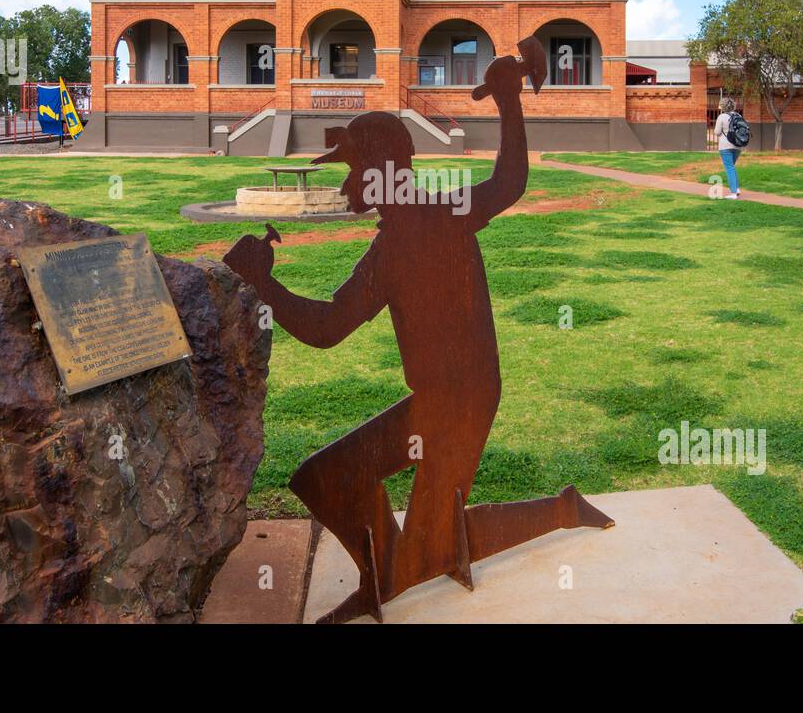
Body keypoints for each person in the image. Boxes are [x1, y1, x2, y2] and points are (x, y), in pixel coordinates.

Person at [223, 38, 611, 623]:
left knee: (423, 546)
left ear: (379, 172)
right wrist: (264, 288)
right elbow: (330, 326)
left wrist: (510, 100)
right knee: (328, 478)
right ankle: (400, 566)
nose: (346, 183)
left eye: (353, 169)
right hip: (438, 399)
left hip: (465, 399)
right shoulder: (396, 243)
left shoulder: (435, 219)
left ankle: (390, 576)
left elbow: (510, 182)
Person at [715, 97, 742, 199]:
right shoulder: (738, 115)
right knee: (732, 167)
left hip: (725, 146)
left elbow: (717, 132)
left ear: (723, 106)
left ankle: (733, 193)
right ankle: (737, 188)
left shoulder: (722, 117)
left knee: (729, 168)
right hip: (738, 146)